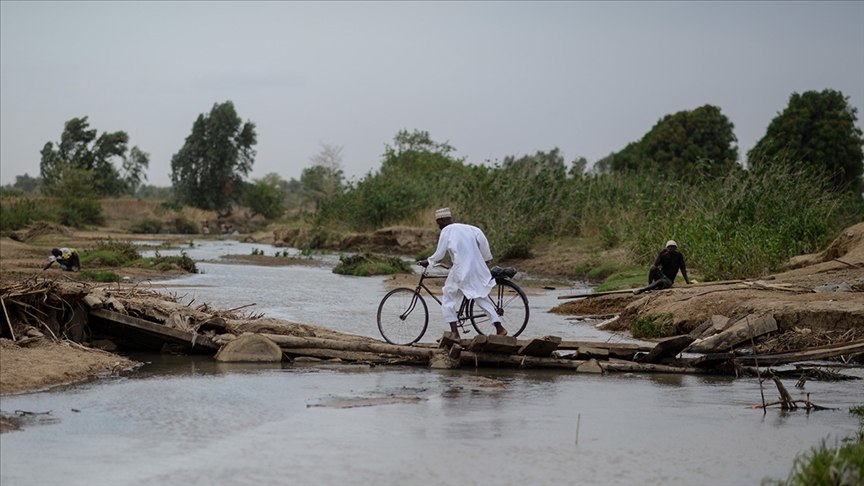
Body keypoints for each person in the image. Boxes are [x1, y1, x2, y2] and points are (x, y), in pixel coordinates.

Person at [418, 208, 507, 338]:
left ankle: (455, 334)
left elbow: (440, 253)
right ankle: (499, 328)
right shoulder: (470, 228)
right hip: (477, 268)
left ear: (442, 220)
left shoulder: (446, 230)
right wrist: (484, 259)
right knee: (480, 297)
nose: (439, 227)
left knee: (448, 300)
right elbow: (483, 241)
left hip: (461, 270)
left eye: (439, 223)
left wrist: (429, 261)